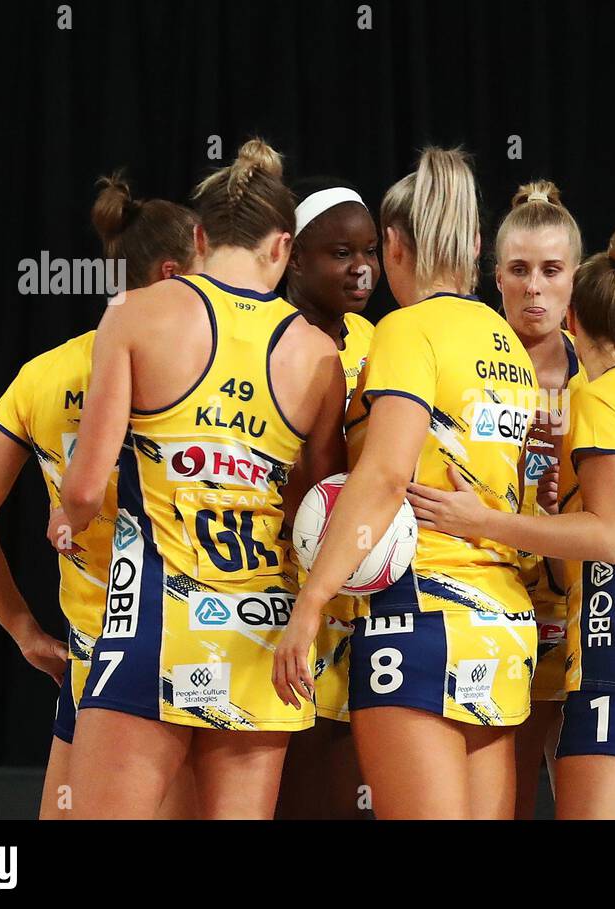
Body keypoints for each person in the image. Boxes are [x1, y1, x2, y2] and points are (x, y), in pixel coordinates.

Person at [53, 139, 347, 819]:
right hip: (260, 634)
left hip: (150, 625)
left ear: (198, 235)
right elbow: (320, 508)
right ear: (283, 248)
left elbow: (87, 487)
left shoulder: (136, 314)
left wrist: (69, 515)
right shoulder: (319, 354)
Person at [409, 227, 615, 819]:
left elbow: (610, 537)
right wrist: (557, 513)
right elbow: (613, 544)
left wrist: (486, 521)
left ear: (573, 323)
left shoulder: (598, 399)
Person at [272, 147, 539, 820]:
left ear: (394, 244)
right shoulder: (507, 342)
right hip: (501, 623)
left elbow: (385, 475)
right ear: (476, 245)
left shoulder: (405, 329)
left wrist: (312, 600)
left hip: (416, 617)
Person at [0, 174, 202, 819]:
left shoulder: (45, 373)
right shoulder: (209, 375)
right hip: (193, 651)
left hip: (95, 657)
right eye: (206, 277)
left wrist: (25, 632)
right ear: (172, 274)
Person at [275, 177, 380, 821]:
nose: (361, 267)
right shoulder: (270, 338)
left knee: (345, 783)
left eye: (368, 250)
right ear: (293, 257)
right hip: (280, 587)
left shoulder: (377, 341)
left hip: (357, 595)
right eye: (340, 253)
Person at [492, 179, 586, 818]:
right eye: (519, 270)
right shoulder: (461, 361)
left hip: (586, 619)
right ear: (494, 276)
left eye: (551, 270)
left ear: (575, 277)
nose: (534, 287)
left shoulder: (604, 376)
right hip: (492, 609)